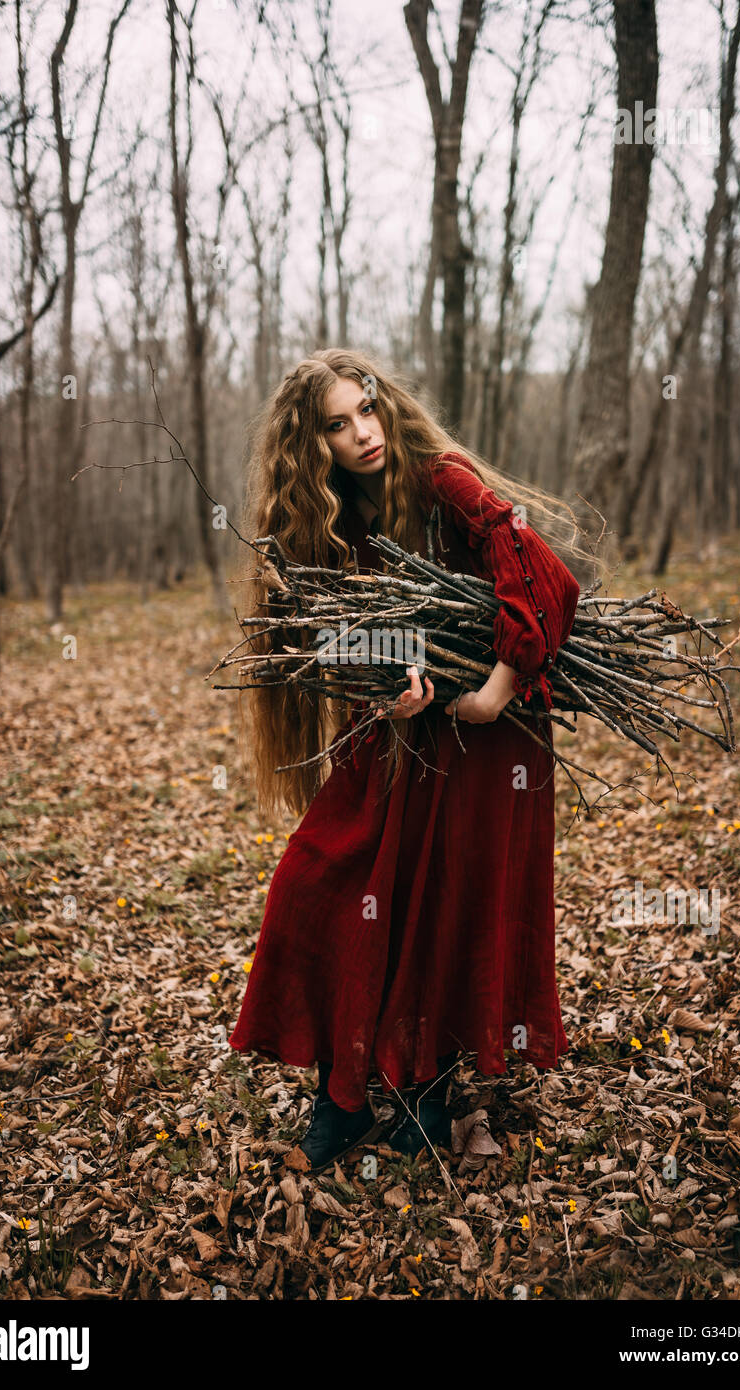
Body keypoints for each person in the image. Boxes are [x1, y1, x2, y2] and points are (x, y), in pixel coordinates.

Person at [228, 348, 583, 1173]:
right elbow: (351, 642)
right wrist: (389, 683)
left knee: (440, 903)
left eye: (368, 409)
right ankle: (346, 1092)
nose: (361, 433)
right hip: (398, 729)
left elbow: (544, 574)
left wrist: (497, 686)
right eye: (336, 424)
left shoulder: (442, 480)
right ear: (312, 446)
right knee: (320, 877)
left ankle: (421, 1093)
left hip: (490, 734)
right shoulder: (329, 522)